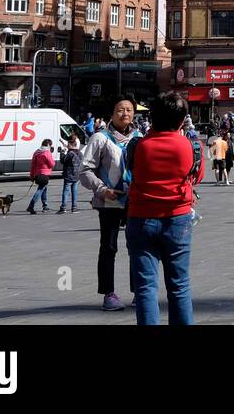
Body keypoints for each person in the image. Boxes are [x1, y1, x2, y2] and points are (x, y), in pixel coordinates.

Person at [124, 92, 204, 325]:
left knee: (145, 287)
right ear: (182, 120)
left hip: (141, 219)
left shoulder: (138, 145)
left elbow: (130, 171)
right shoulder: (192, 146)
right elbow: (197, 177)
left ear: (153, 117)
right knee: (179, 285)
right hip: (178, 219)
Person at [80, 97, 140, 312]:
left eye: (129, 110)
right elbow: (85, 170)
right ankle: (108, 294)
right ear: (112, 114)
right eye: (121, 110)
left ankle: (139, 291)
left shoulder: (139, 138)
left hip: (135, 199)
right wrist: (101, 189)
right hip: (109, 199)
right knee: (109, 246)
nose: (126, 114)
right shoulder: (100, 138)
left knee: (137, 246)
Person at [26, 139, 56, 214]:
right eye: (50, 145)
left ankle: (45, 205)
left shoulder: (36, 152)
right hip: (45, 174)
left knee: (44, 189)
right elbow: (52, 164)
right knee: (40, 189)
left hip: (37, 174)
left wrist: (31, 175)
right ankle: (31, 205)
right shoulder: (47, 153)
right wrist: (51, 155)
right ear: (48, 145)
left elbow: (33, 165)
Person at [57, 137, 82, 213]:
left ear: (70, 145)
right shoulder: (79, 153)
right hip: (76, 174)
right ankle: (74, 207)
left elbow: (63, 161)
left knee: (66, 191)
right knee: (74, 191)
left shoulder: (70, 153)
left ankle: (63, 207)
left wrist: (62, 152)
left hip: (69, 175)